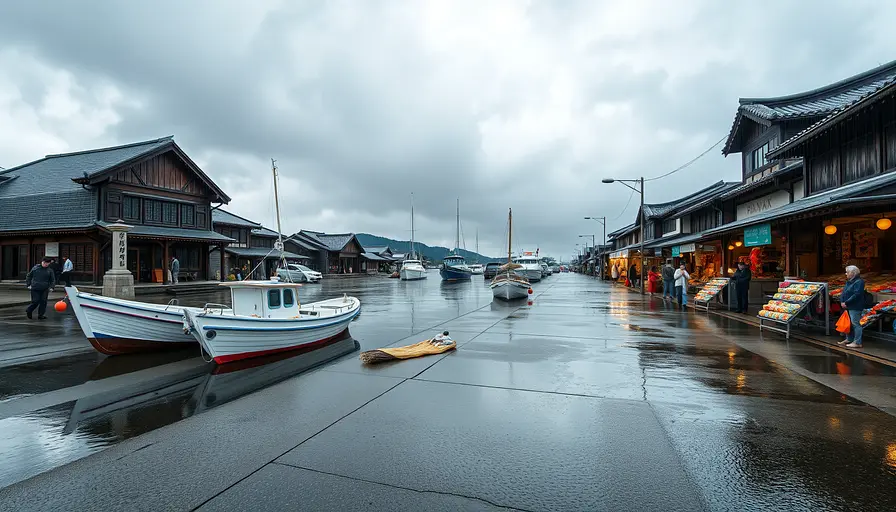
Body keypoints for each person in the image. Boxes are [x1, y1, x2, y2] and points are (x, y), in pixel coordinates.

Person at [839, 265, 866, 349]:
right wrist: (842, 301)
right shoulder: (849, 281)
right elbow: (844, 292)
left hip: (855, 306)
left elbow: (857, 294)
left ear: (852, 273)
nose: (846, 274)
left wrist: (846, 302)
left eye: (847, 272)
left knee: (855, 323)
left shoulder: (859, 282)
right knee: (849, 323)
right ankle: (849, 339)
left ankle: (857, 342)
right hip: (848, 305)